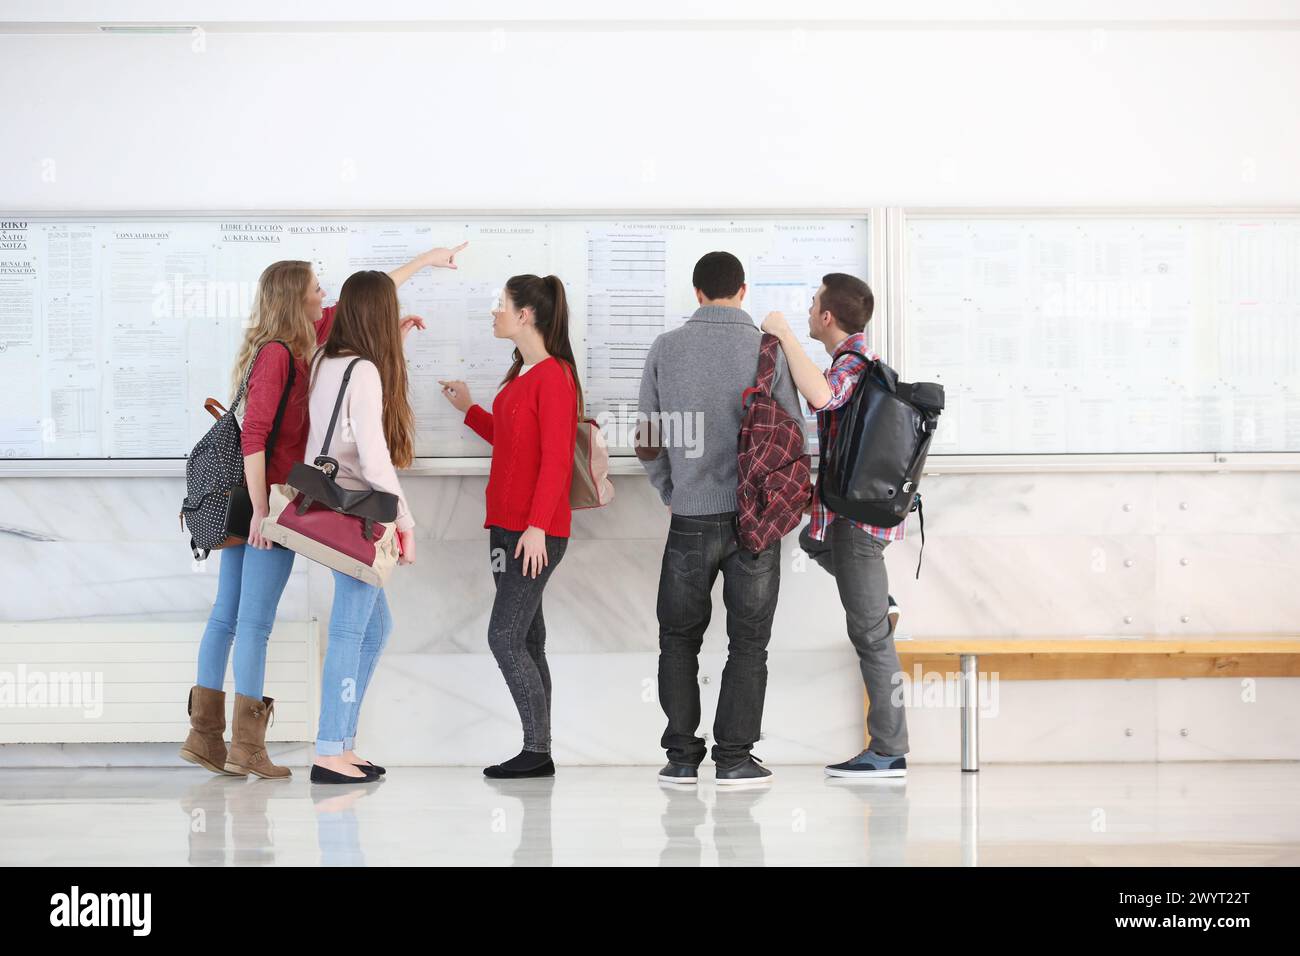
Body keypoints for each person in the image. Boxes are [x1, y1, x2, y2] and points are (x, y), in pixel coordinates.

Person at [180, 242, 465, 779]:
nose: (323, 294)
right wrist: (266, 511)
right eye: (315, 287)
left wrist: (424, 264)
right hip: (272, 501)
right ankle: (239, 743)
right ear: (296, 299)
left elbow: (368, 302)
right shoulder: (281, 354)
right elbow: (257, 436)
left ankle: (212, 739)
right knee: (248, 622)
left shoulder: (311, 347)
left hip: (271, 498)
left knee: (236, 617)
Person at [638, 251, 806, 787]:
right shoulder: (767, 350)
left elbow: (645, 439)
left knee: (677, 639)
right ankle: (734, 758)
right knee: (749, 642)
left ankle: (682, 758)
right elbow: (790, 440)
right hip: (754, 522)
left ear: (696, 292)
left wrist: (673, 487)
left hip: (688, 517)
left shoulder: (667, 348)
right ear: (743, 291)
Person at [761, 273, 909, 778]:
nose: (807, 312)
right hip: (849, 515)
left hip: (859, 527)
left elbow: (825, 398)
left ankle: (888, 750)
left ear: (827, 317)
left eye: (811, 305)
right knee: (810, 539)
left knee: (871, 639)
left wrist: (783, 334)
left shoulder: (851, 364)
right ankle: (884, 606)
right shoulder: (856, 363)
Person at [438, 274, 580, 779]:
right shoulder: (523, 374)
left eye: (501, 305)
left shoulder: (555, 376)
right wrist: (470, 409)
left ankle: (536, 750)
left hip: (532, 533)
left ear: (525, 315)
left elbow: (557, 461)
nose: (494, 313)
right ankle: (537, 749)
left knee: (504, 637)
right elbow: (515, 442)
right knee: (526, 639)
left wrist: (538, 526)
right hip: (504, 529)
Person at [307, 270, 417, 784]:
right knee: (352, 630)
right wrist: (405, 522)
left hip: (326, 507)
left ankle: (344, 743)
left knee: (377, 627)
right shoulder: (365, 371)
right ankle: (329, 748)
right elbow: (373, 458)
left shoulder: (323, 359)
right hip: (358, 514)